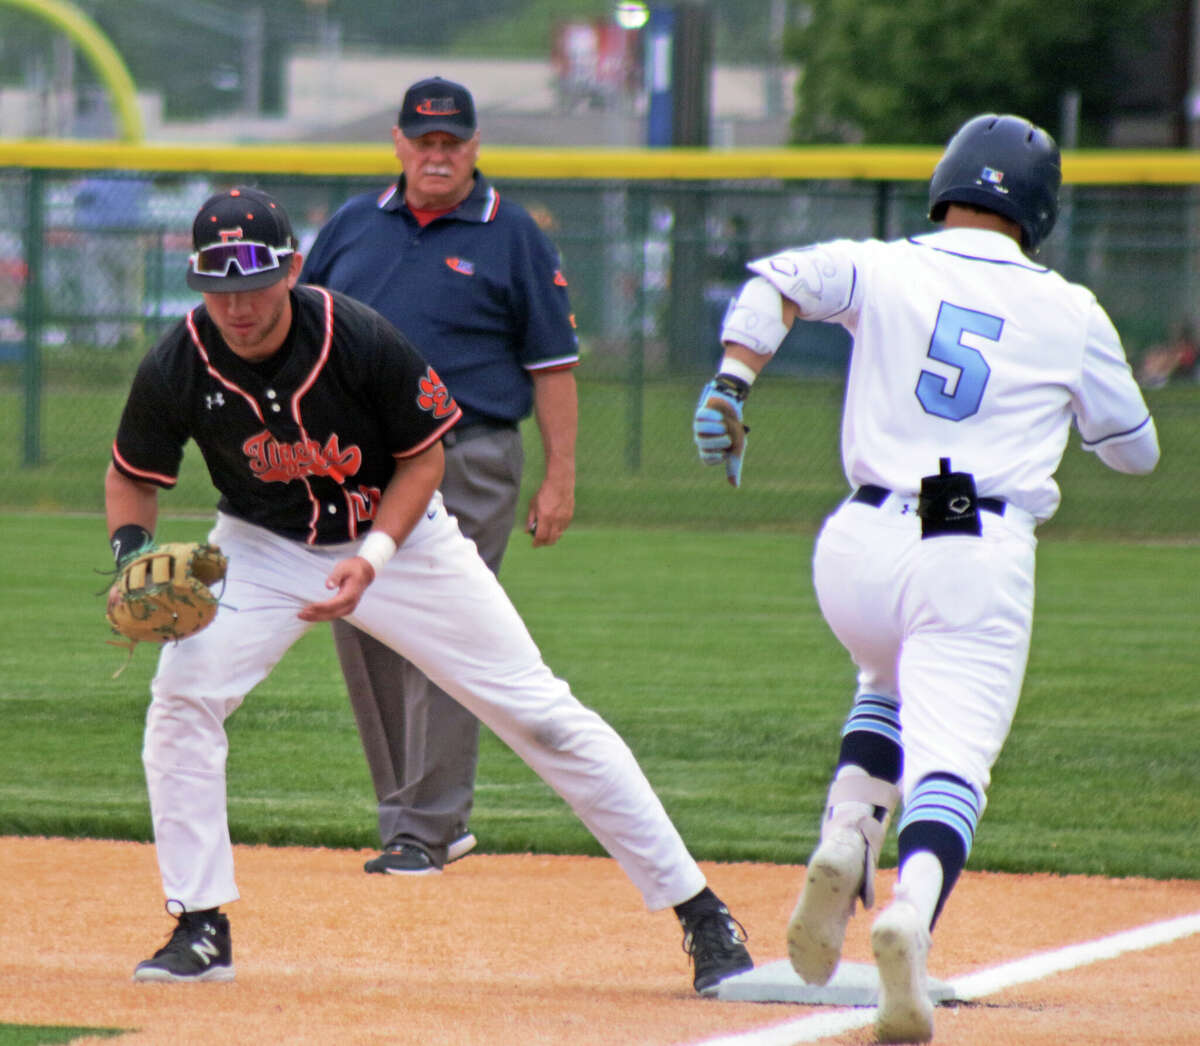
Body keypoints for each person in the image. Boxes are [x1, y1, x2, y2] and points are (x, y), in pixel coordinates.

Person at [105, 186, 752, 994]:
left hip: (402, 539)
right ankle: (201, 923)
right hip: (263, 546)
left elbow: (423, 459)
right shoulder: (179, 360)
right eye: (219, 287)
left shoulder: (356, 336)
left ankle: (701, 911)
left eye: (256, 282)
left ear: (293, 269)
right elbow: (133, 475)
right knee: (182, 701)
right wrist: (130, 552)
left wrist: (372, 558)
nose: (237, 305)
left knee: (540, 714)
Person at [691, 114, 1158, 1043]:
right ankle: (913, 911)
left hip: (857, 545)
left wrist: (731, 383)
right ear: (1039, 210)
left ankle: (847, 834)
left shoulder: (885, 263)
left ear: (943, 187)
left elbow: (773, 283)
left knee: (887, 680)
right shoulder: (1071, 309)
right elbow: (1135, 453)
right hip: (970, 547)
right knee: (954, 762)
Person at [300, 76, 579, 875]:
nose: (437, 154)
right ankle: (405, 819)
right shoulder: (354, 225)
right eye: (424, 140)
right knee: (364, 624)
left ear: (474, 147)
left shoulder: (511, 233)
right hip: (359, 463)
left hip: (469, 455)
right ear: (398, 143)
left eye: (451, 141)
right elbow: (309, 339)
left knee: (446, 625)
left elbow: (553, 365)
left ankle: (433, 823)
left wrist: (559, 478)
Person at [1136, 319, 1199, 388]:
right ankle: (1150, 378)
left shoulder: (1186, 348)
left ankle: (1153, 378)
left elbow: (1179, 362)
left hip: (1184, 375)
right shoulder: (1175, 347)